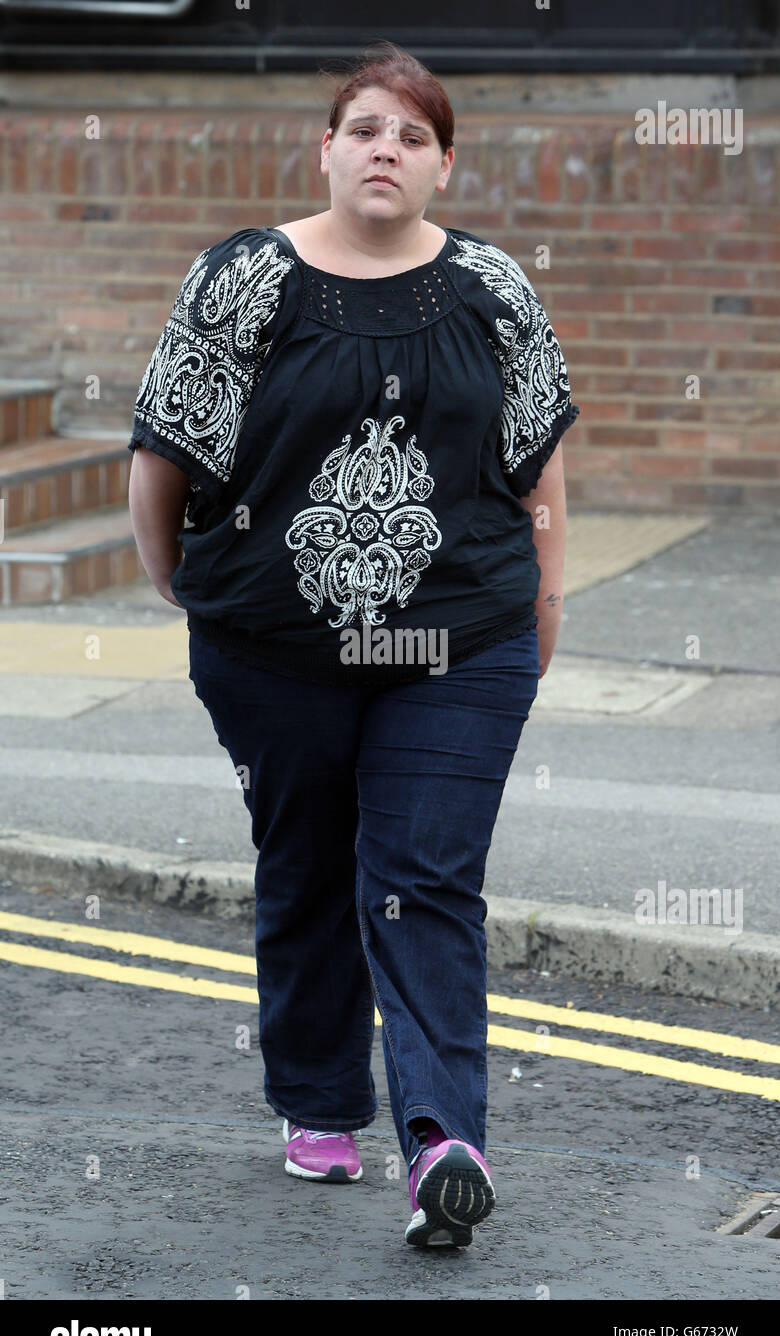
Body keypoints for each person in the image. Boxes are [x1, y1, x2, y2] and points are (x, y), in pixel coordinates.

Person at [127, 40, 579, 1250]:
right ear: (325, 149)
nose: (387, 148)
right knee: (312, 860)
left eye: (413, 136)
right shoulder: (242, 280)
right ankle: (319, 1101)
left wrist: (541, 616)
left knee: (420, 875)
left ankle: (441, 1140)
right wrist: (189, 593)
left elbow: (538, 472)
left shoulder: (493, 287)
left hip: (458, 640)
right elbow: (161, 459)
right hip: (272, 652)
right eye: (365, 127)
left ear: (442, 166)